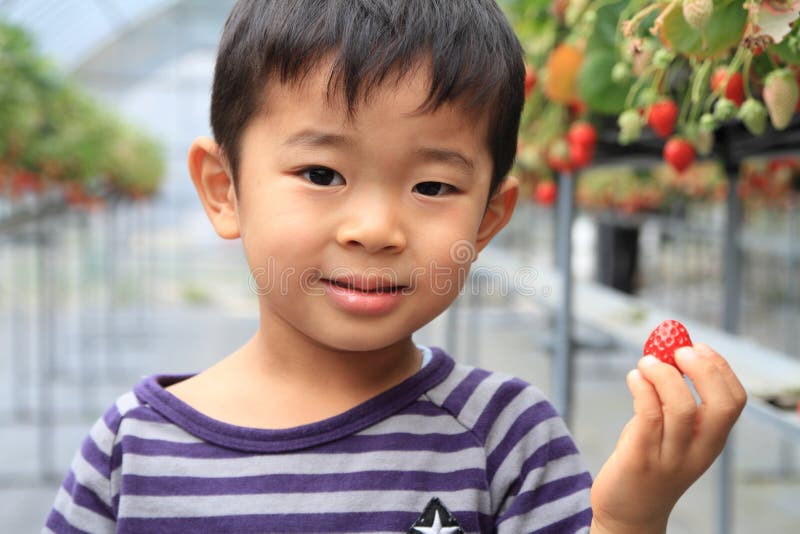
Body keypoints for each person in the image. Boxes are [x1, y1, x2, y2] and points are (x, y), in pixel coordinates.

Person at [44, 1, 747, 532]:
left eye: (434, 187)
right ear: (224, 191)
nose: (376, 230)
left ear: (488, 221)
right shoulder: (133, 451)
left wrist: (627, 520)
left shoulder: (508, 439)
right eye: (321, 172)